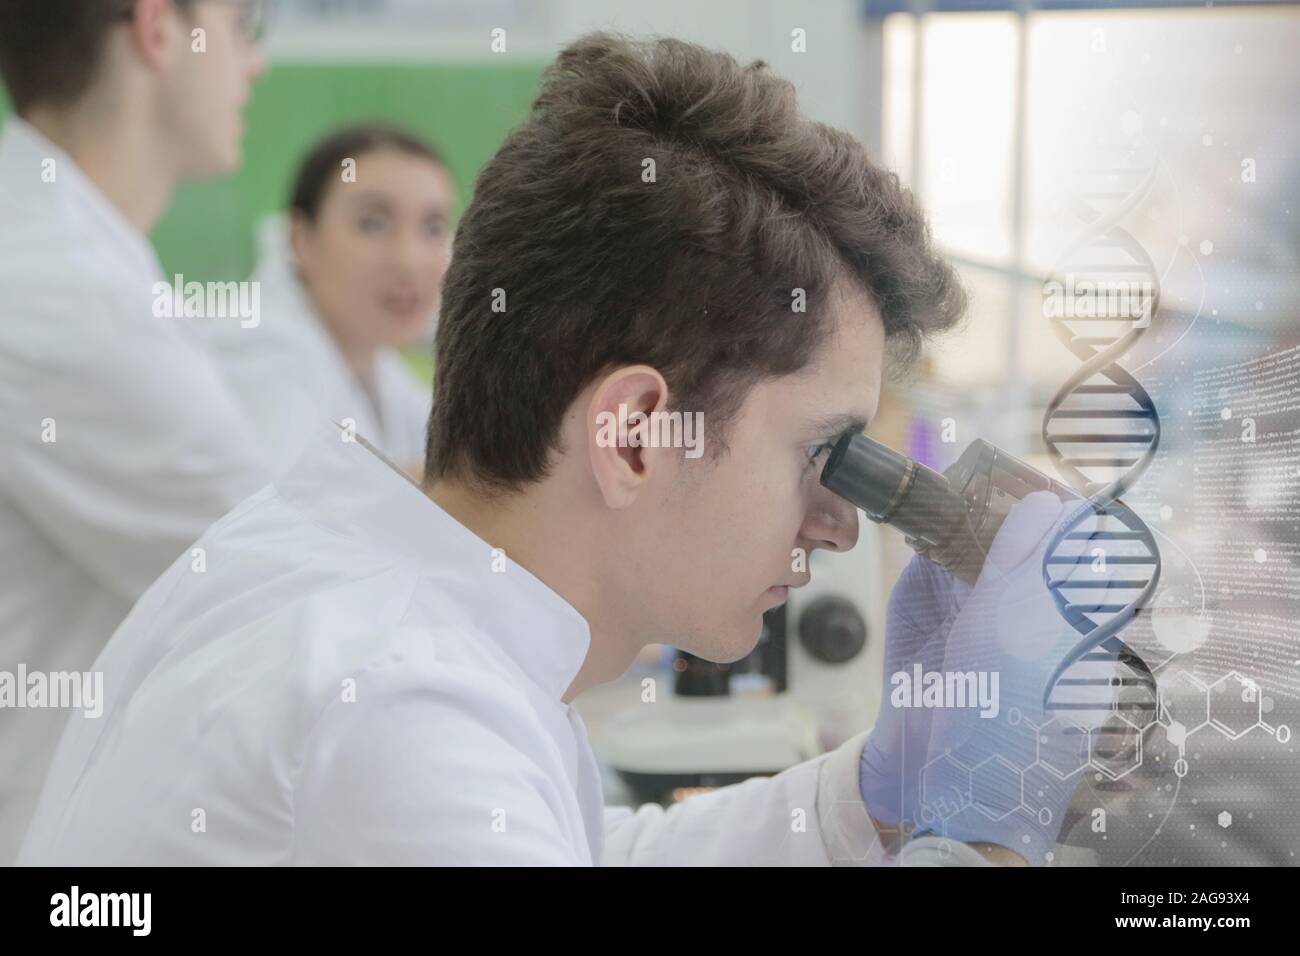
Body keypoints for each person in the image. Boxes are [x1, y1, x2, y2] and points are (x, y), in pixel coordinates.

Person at [19, 33, 1090, 866]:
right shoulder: (403, 702)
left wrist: (870, 799)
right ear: (630, 433)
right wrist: (983, 826)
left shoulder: (361, 577)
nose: (842, 518)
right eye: (823, 451)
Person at [0, 0, 268, 862]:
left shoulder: (69, 247)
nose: (254, 65)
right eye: (241, 23)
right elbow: (273, 568)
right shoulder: (59, 284)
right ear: (160, 29)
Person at [208, 124, 454, 474]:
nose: (409, 261)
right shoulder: (259, 352)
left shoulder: (375, 362)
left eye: (432, 228)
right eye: (374, 224)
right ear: (301, 239)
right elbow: (293, 509)